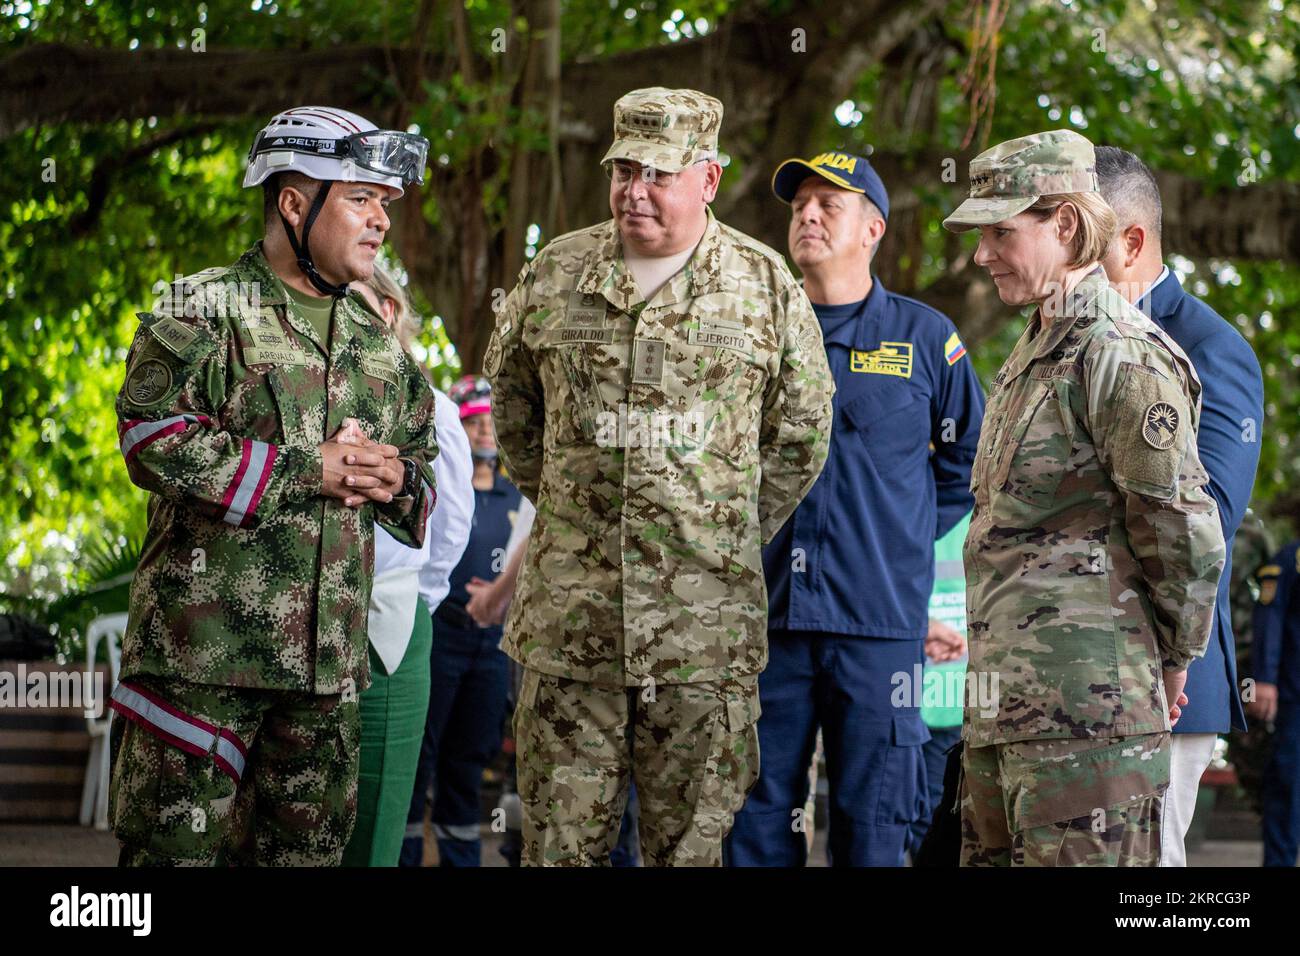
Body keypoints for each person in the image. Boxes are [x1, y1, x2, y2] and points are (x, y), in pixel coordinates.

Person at [485, 87, 835, 866]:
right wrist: (580, 507)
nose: (634, 191)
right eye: (624, 170)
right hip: (569, 634)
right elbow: (515, 414)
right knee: (558, 852)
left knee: (692, 854)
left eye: (658, 174)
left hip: (701, 644)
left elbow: (802, 434)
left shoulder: (765, 285)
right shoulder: (556, 271)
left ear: (708, 179)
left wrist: (719, 525)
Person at [108, 106, 439, 865]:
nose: (380, 220)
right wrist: (305, 468)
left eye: (384, 203)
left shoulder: (378, 347)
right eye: (361, 198)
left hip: (325, 688)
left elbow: (421, 489)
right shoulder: (199, 308)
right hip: (200, 676)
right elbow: (151, 441)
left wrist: (393, 478)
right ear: (295, 203)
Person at [943, 129, 1225, 866]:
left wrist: (1173, 663)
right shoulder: (1036, 347)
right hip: (1002, 716)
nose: (981, 254)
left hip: (1089, 723)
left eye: (1002, 232)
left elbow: (1185, 532)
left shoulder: (1121, 352)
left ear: (1065, 225)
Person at [725, 150, 984, 867]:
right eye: (799, 205)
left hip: (878, 632)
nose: (807, 215)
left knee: (874, 830)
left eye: (827, 205)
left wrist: (899, 542)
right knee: (754, 822)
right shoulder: (753, 332)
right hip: (763, 621)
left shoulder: (927, 340)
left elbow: (971, 467)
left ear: (872, 229)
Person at [1096, 146, 1265, 866]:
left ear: (1132, 241)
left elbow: (1206, 520)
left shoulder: (1209, 346)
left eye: (1078, 233)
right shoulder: (1066, 339)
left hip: (1163, 674)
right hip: (1060, 678)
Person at [341, 268, 474, 866]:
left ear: (391, 311)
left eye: (360, 306)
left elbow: (448, 533)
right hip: (302, 623)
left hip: (390, 625)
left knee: (377, 807)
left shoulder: (437, 412)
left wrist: (408, 602)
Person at [400, 376, 524, 866]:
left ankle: (461, 860)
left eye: (491, 421)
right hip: (440, 635)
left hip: (491, 647)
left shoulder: (516, 496)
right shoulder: (436, 485)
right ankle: (404, 856)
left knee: (468, 763)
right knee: (418, 759)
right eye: (474, 422)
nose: (485, 432)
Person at [1250, 539, 1300, 866]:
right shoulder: (1292, 556)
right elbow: (1271, 615)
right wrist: (1264, 678)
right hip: (1296, 696)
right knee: (1288, 786)